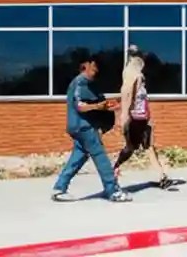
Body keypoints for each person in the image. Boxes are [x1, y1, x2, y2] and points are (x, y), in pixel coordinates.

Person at [52, 56, 130, 202]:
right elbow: (80, 106)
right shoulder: (80, 82)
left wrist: (109, 107)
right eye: (93, 66)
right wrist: (98, 106)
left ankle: (59, 188)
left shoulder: (88, 85)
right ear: (85, 66)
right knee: (100, 156)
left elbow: (96, 103)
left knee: (79, 156)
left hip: (79, 126)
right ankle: (112, 191)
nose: (96, 69)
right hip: (83, 126)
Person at [113, 45, 171, 189]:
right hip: (134, 119)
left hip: (143, 119)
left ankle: (162, 176)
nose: (140, 59)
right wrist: (124, 116)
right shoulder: (131, 75)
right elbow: (126, 96)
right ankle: (114, 168)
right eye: (137, 56)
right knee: (130, 148)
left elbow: (142, 101)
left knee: (149, 147)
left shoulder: (140, 78)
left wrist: (149, 117)